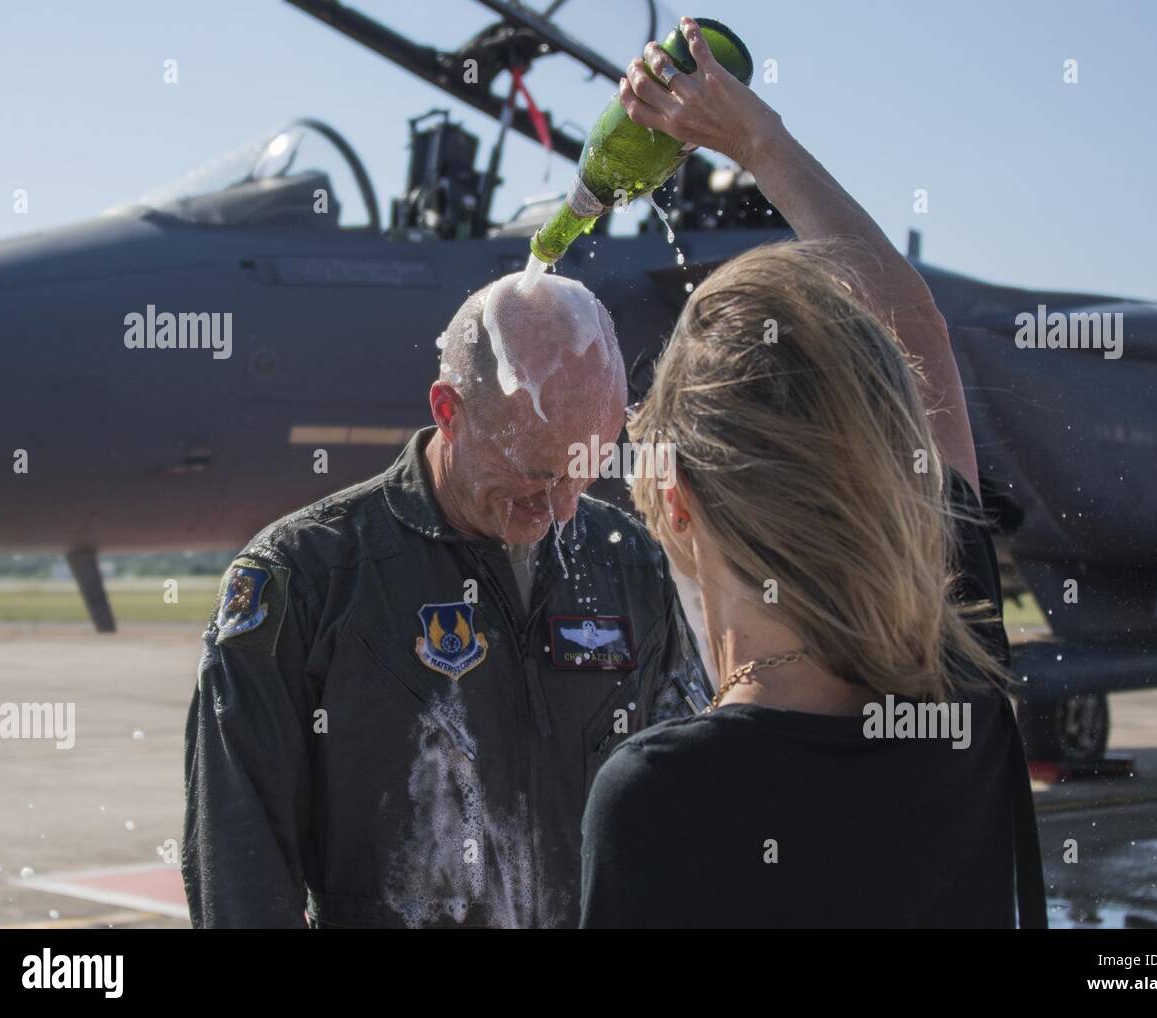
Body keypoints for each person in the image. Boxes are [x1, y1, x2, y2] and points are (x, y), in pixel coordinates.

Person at [579, 17, 1045, 928]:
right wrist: (760, 140)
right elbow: (920, 333)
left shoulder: (655, 797)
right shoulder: (957, 678)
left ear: (674, 503)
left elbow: (917, 343)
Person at [182, 272, 710, 929]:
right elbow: (239, 861)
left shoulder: (629, 563)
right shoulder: (305, 578)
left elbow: (685, 805)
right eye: (535, 473)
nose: (561, 507)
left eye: (586, 470)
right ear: (447, 412)